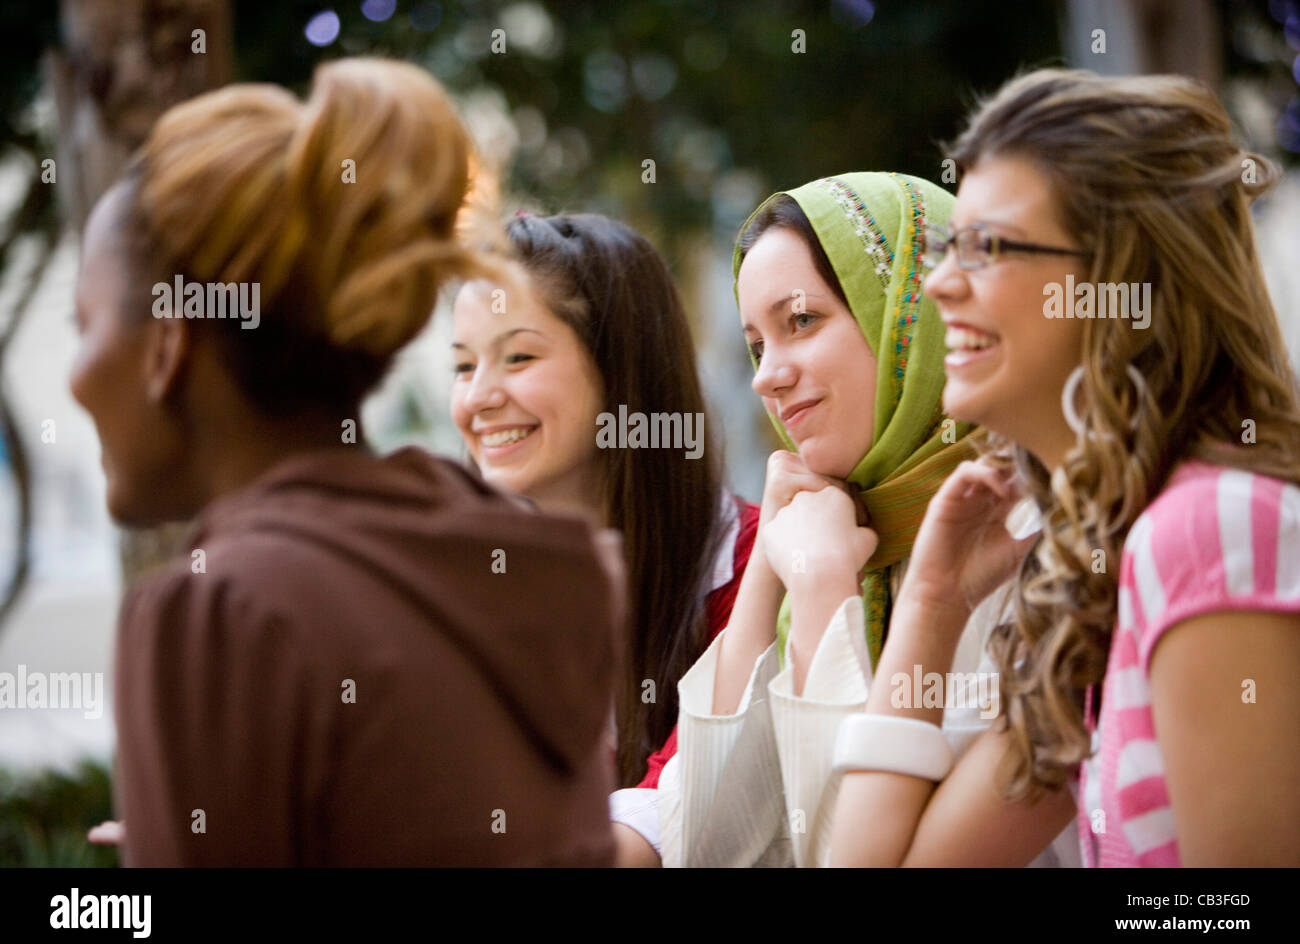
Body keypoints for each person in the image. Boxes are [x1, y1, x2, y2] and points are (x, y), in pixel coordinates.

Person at [72, 58, 621, 866]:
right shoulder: (508, 562)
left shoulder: (221, 610)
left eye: (83, 323)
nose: (73, 373)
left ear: (167, 347)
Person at [829, 68, 1300, 867]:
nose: (940, 284)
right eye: (951, 246)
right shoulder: (1097, 571)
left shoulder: (1208, 529)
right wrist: (935, 603)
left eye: (986, 247)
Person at [649, 170, 1078, 866]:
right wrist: (769, 575)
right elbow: (702, 847)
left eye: (802, 322)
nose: (766, 376)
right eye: (757, 346)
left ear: (911, 319)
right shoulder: (818, 533)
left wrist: (824, 593)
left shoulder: (1034, 538)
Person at [447, 213, 759, 863]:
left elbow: (676, 810)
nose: (478, 397)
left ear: (622, 371)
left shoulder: (752, 564)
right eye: (463, 366)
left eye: (518, 357)